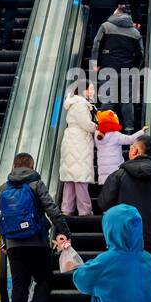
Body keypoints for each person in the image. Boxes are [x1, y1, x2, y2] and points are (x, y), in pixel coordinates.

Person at [0, 152, 71, 302]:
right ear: (32, 165)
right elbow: (51, 209)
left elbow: (0, 217)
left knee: (19, 285)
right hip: (37, 242)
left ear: (14, 166)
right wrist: (64, 231)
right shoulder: (36, 184)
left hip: (14, 244)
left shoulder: (3, 187)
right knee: (44, 280)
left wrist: (4, 241)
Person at [98, 133, 151, 286]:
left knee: (125, 286)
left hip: (124, 241)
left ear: (135, 151)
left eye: (131, 147)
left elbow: (104, 204)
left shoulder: (118, 176)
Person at [92, 4, 144, 131]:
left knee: (108, 99)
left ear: (117, 13)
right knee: (126, 101)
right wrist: (135, 68)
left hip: (108, 67)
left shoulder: (106, 26)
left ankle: (105, 129)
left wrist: (95, 62)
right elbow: (140, 54)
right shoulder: (135, 33)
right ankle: (129, 130)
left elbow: (96, 44)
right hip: (127, 69)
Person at [59, 88, 97, 217]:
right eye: (90, 89)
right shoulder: (81, 104)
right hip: (79, 140)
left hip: (71, 139)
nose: (92, 91)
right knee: (81, 177)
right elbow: (86, 124)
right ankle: (84, 210)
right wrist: (98, 127)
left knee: (70, 177)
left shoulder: (74, 103)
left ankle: (67, 208)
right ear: (83, 90)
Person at [95, 110, 143, 184]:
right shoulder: (116, 135)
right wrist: (142, 131)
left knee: (106, 191)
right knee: (115, 192)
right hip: (115, 171)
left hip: (102, 172)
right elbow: (130, 140)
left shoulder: (96, 135)